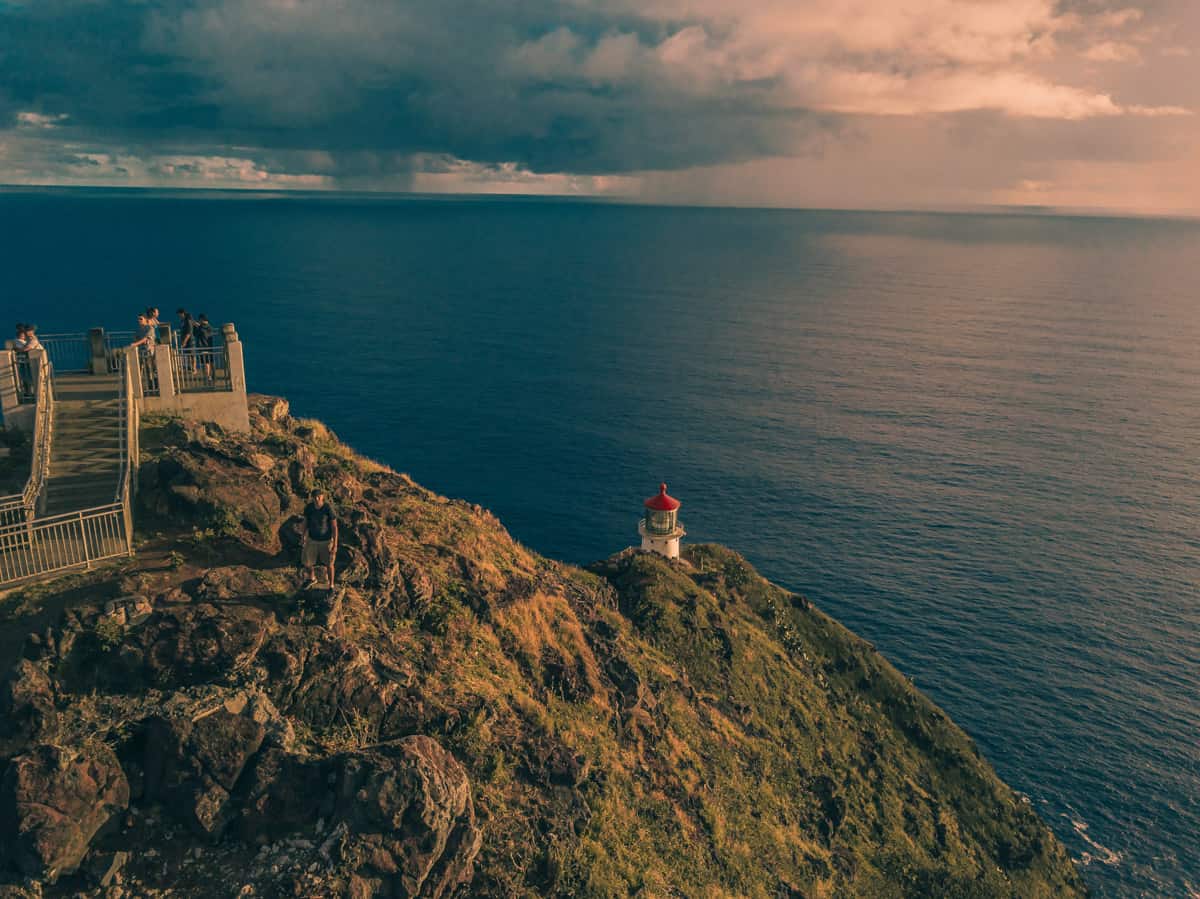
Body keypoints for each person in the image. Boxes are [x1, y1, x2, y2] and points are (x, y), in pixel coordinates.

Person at [301, 488, 338, 588]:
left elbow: (334, 527)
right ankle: (312, 578)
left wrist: (335, 544)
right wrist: (303, 536)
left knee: (329, 564)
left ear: (322, 497)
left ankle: (331, 585)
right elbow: (305, 522)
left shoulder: (327, 508)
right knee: (307, 562)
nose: (317, 499)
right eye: (315, 497)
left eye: (319, 496)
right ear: (312, 498)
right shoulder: (309, 508)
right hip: (312, 539)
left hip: (326, 541)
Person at [195, 313, 215, 381]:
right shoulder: (208, 327)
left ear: (201, 319)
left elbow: (202, 334)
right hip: (206, 347)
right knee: (206, 363)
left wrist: (198, 326)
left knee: (206, 363)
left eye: (199, 320)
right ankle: (207, 376)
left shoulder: (204, 327)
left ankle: (208, 376)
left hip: (204, 347)